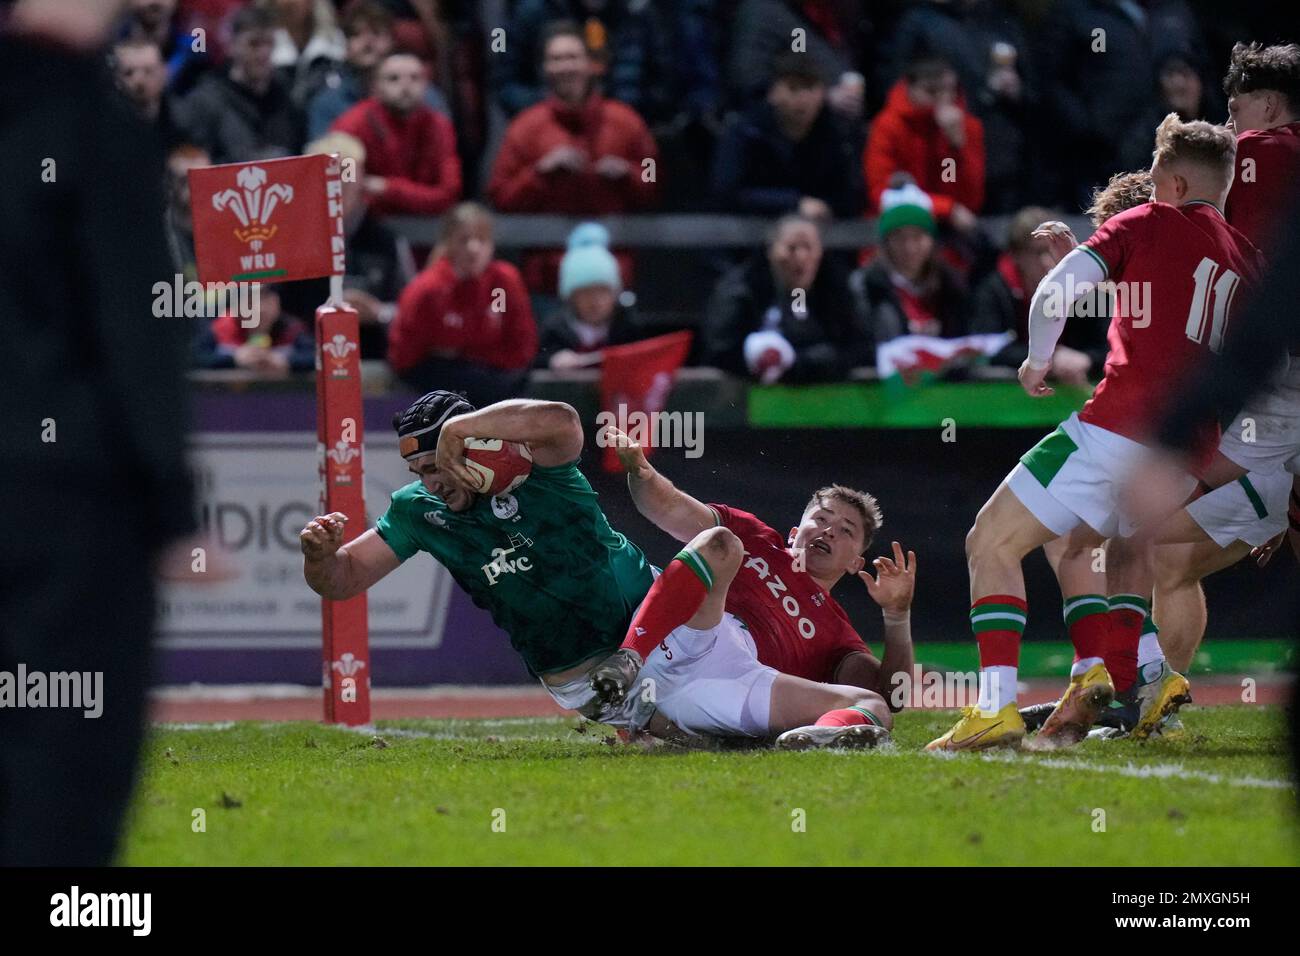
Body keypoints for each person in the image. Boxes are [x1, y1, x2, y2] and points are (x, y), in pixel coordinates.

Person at [928, 113, 1263, 752]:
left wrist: (1035, 360)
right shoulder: (1248, 261)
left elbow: (1053, 295)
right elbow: (1177, 322)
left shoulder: (1148, 221)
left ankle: (994, 706)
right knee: (1088, 545)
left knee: (990, 542)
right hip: (1188, 451)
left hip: (1118, 429)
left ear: (1173, 179)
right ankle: (1133, 677)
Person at [0, 0, 195, 865]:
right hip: (68, 501)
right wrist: (172, 504)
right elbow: (135, 325)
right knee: (67, 763)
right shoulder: (94, 124)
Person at [300, 393, 657, 726]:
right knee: (695, 733)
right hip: (585, 676)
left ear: (469, 447)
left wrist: (458, 428)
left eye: (436, 466)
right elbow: (343, 578)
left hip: (659, 624)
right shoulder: (417, 511)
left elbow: (563, 420)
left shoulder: (537, 466)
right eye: (419, 473)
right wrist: (318, 556)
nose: (430, 484)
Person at [586, 427, 915, 749]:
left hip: (732, 687)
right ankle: (628, 661)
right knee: (718, 542)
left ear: (856, 563)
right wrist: (643, 472)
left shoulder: (836, 631)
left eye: (846, 531)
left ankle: (817, 739)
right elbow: (669, 508)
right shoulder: (756, 537)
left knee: (874, 707)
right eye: (822, 518)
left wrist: (897, 615)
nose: (829, 531)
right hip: (684, 634)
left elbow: (892, 696)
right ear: (793, 531)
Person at [487, 20, 659, 294]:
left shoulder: (628, 122)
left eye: (572, 57)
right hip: (546, 281)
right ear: (544, 68)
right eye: (556, 59)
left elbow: (654, 178)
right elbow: (499, 195)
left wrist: (629, 174)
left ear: (591, 64)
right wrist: (540, 173)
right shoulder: (524, 127)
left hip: (614, 277)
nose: (565, 66)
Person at [386, 203, 537, 406]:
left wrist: (462, 353)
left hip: (498, 384)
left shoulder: (504, 283)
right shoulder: (426, 290)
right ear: (447, 243)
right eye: (464, 239)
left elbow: (522, 348)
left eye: (481, 240)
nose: (473, 248)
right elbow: (404, 359)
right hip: (440, 392)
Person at [701, 214, 870, 384]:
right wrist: (756, 356)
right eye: (791, 248)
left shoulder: (834, 287)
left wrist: (799, 362)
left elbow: (856, 348)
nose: (801, 257)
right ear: (771, 250)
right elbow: (720, 350)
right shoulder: (740, 290)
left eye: (808, 247)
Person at [971, 203, 1113, 385]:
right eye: (1038, 253)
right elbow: (986, 347)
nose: (1048, 261)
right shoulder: (993, 290)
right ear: (1016, 255)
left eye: (1053, 250)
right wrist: (1050, 359)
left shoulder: (1083, 286)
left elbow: (1111, 344)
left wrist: (1087, 360)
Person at [711, 52, 864, 219]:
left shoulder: (837, 134)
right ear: (773, 93)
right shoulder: (746, 132)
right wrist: (793, 203)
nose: (803, 98)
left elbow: (850, 195)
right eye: (793, 88)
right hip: (750, 235)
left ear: (823, 93)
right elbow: (728, 193)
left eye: (810, 88)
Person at [331, 51, 461, 218]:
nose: (405, 86)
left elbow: (449, 194)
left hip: (426, 228)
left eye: (415, 78)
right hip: (366, 229)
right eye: (393, 78)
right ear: (376, 86)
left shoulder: (440, 126)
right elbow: (344, 188)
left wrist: (387, 189)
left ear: (427, 85)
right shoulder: (351, 126)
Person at [864, 56, 984, 232]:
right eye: (932, 91)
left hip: (949, 232)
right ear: (910, 89)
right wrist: (945, 208)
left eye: (950, 90)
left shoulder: (966, 126)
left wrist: (955, 148)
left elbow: (968, 199)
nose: (944, 99)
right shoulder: (887, 126)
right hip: (898, 225)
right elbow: (883, 192)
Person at [305, 0, 449, 140]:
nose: (368, 42)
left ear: (392, 41)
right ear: (346, 45)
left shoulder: (423, 96)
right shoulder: (328, 103)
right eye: (357, 34)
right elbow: (326, 160)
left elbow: (443, 151)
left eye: (376, 32)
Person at [180, 3, 304, 163]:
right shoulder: (206, 101)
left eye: (269, 43)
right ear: (232, 45)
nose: (263, 53)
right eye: (254, 44)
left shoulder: (287, 96)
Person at [852, 182, 969, 347]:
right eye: (899, 238)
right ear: (886, 243)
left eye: (918, 237)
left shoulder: (951, 284)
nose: (909, 247)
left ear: (932, 241)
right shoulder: (866, 286)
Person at [535, 224, 656, 370]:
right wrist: (553, 360)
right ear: (572, 297)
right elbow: (534, 361)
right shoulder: (553, 330)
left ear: (615, 294)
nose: (595, 301)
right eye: (586, 293)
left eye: (603, 292)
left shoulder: (629, 328)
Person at [192, 284, 315, 374]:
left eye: (266, 299)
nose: (259, 309)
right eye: (250, 301)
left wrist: (286, 362)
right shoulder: (219, 328)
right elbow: (194, 358)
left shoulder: (293, 329)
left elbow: (317, 357)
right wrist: (234, 359)